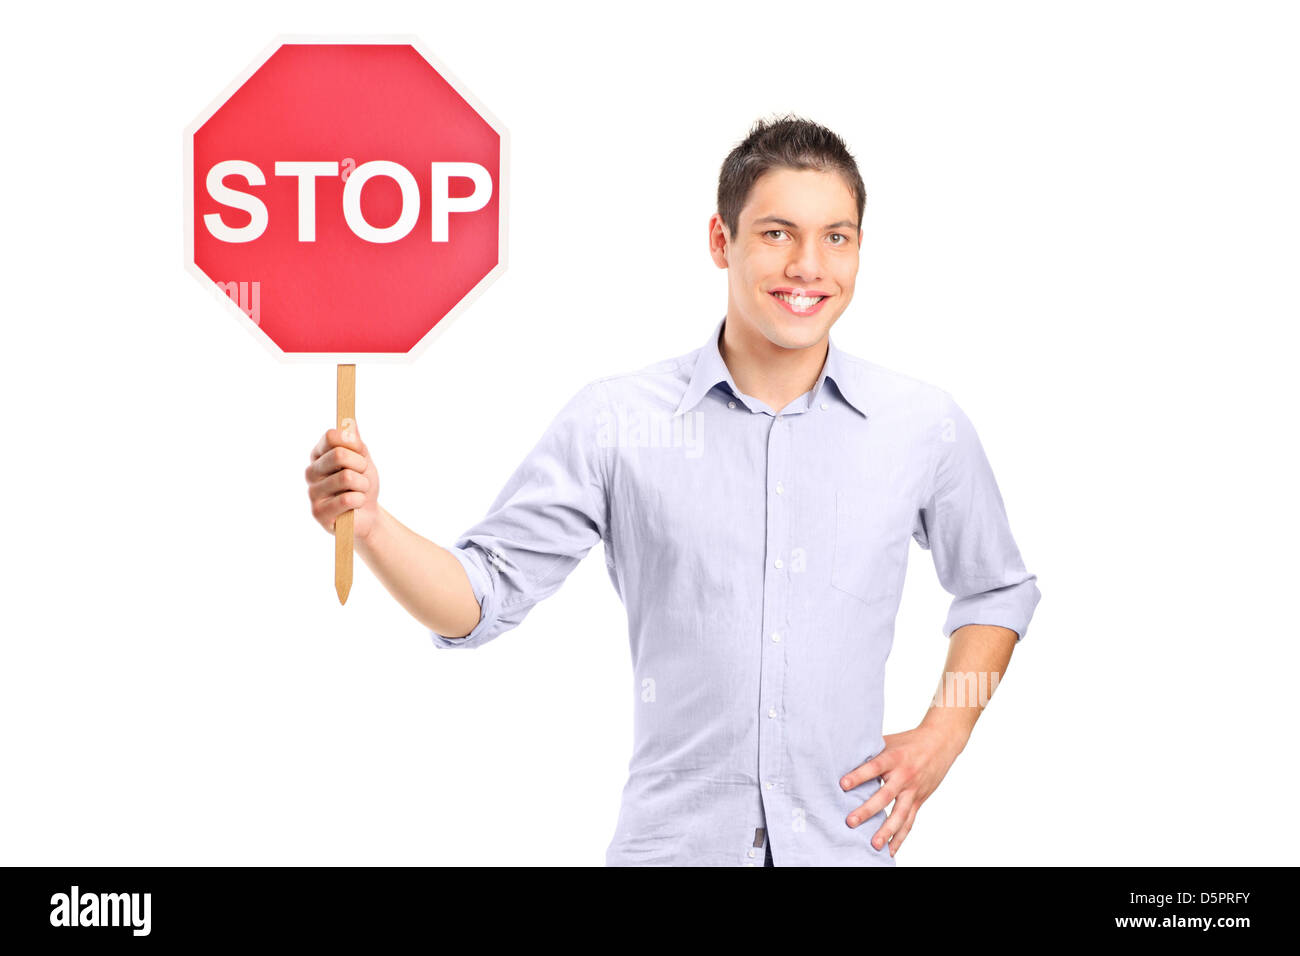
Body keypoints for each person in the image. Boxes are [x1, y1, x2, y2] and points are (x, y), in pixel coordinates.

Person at [304, 114, 1041, 866]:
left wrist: (943, 735)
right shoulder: (616, 422)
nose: (808, 266)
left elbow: (997, 589)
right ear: (722, 242)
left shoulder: (920, 425)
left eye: (837, 237)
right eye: (777, 233)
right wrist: (369, 525)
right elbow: (481, 596)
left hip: (844, 847)